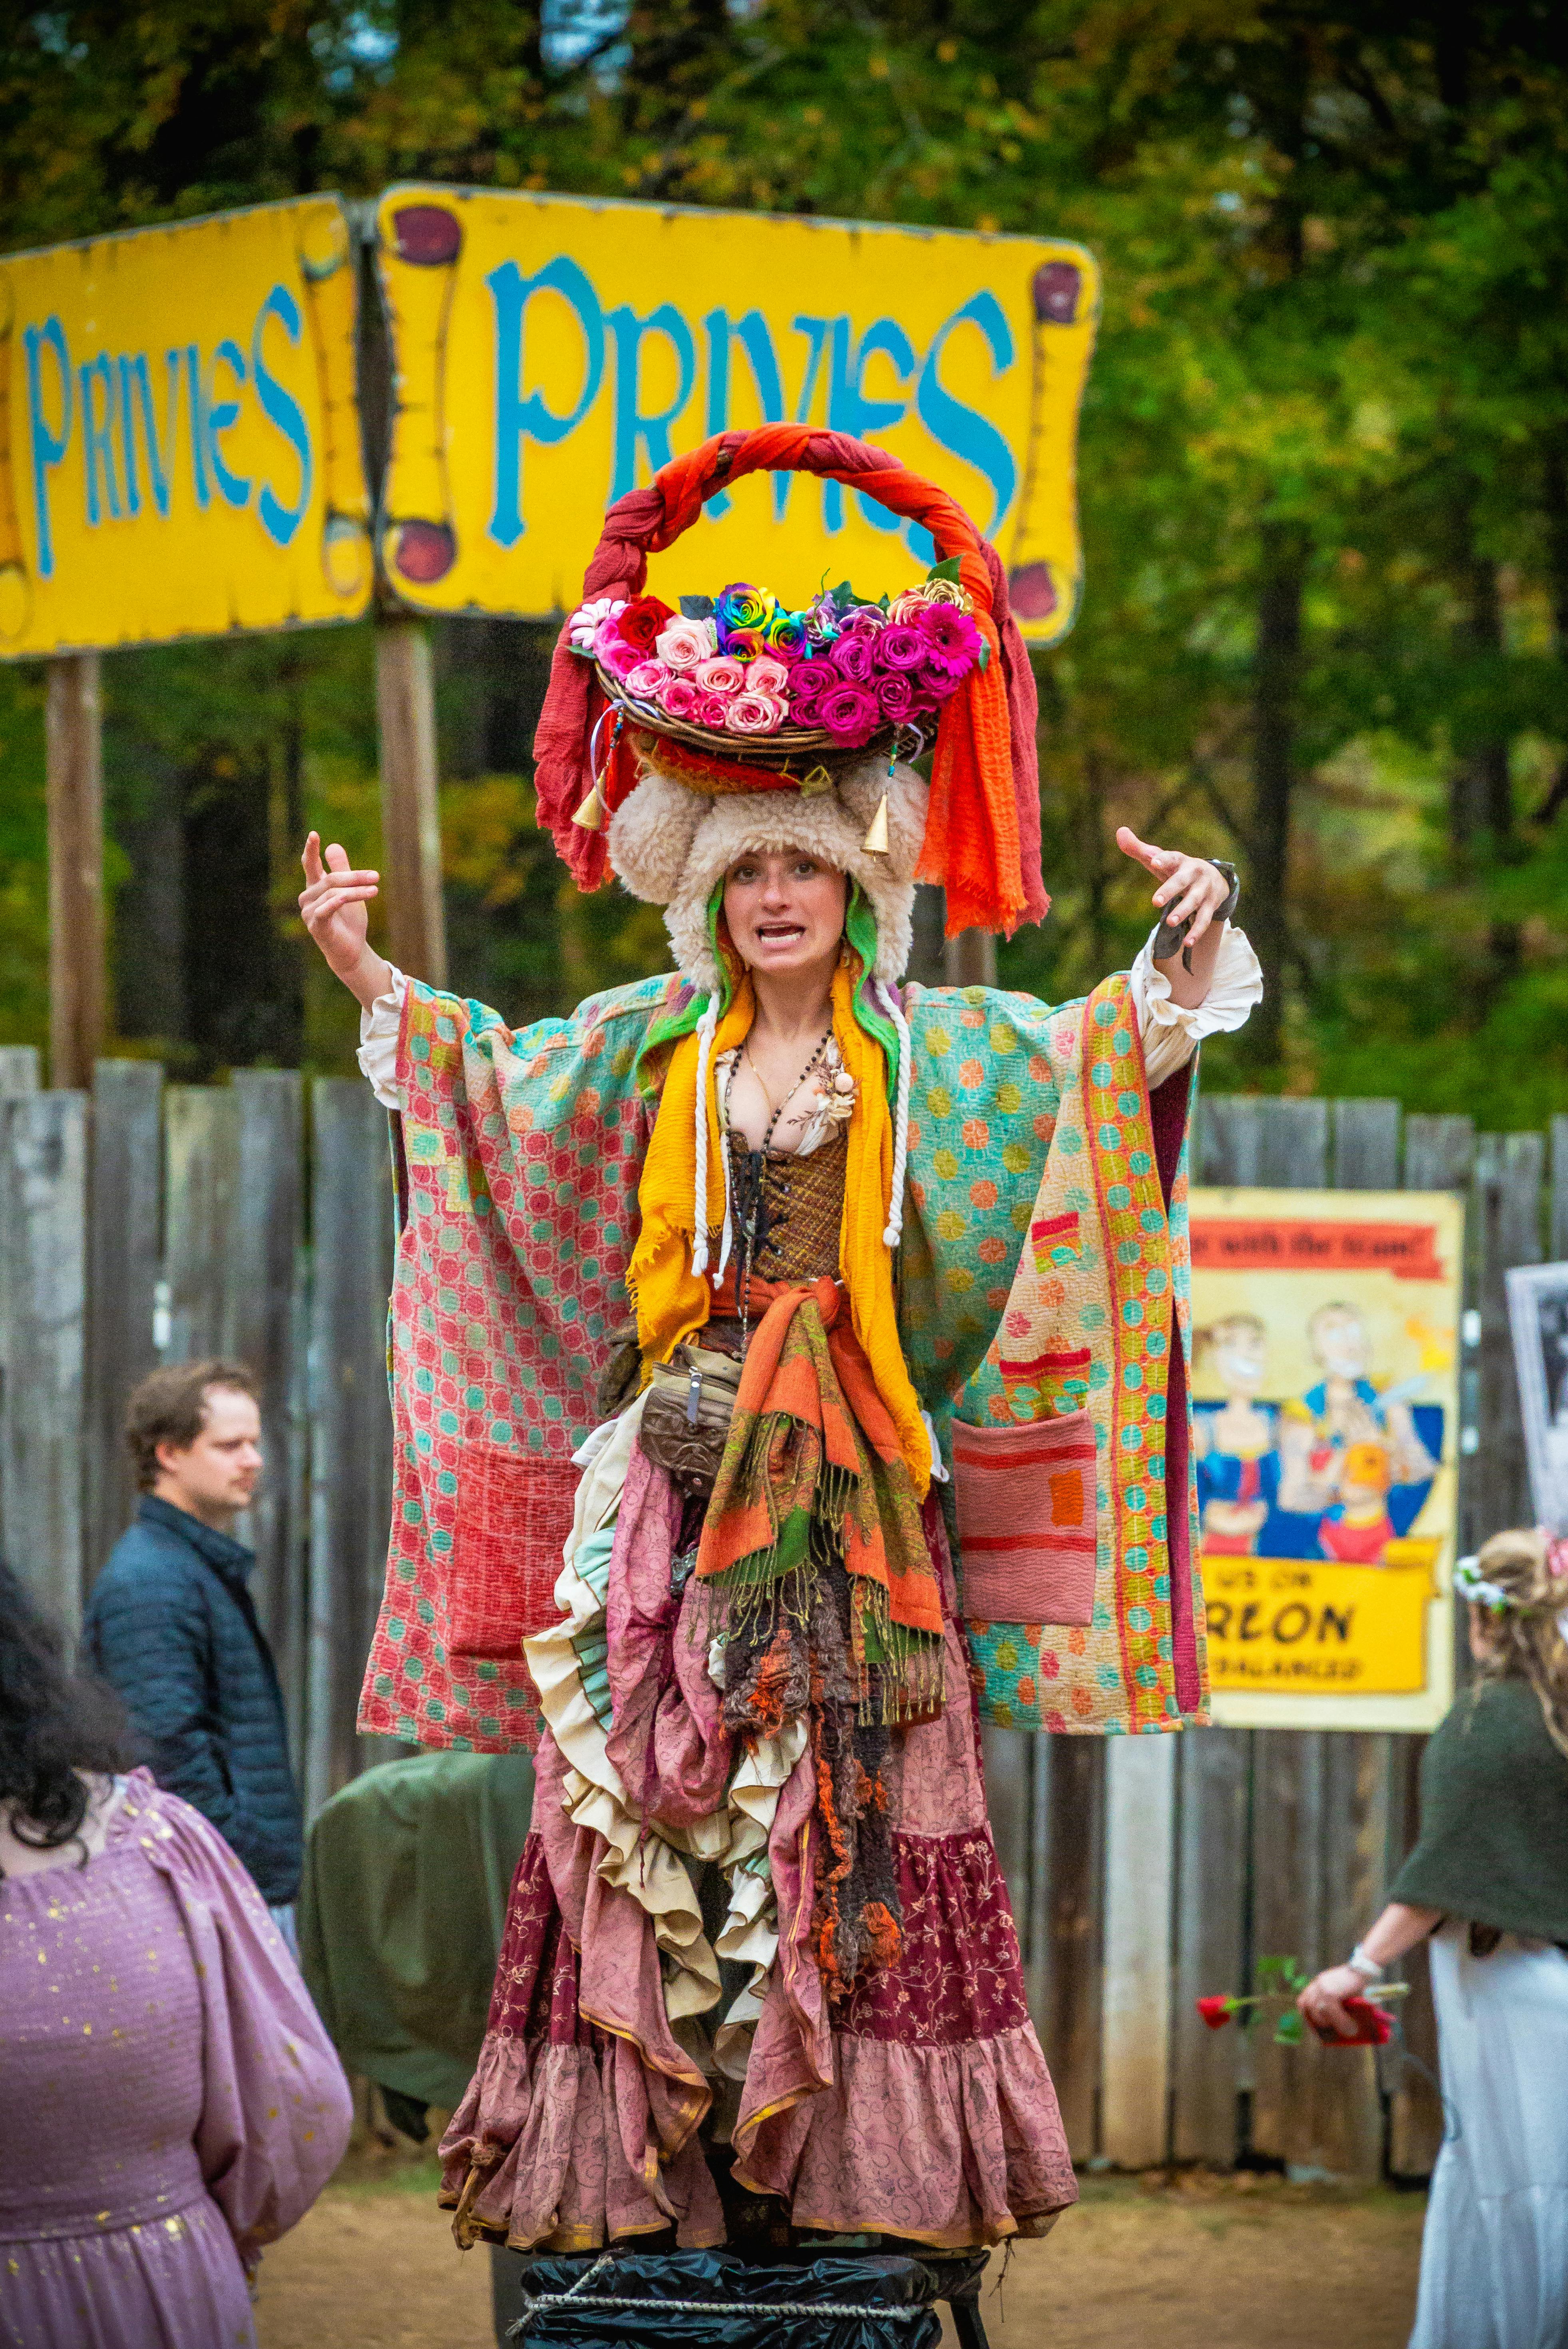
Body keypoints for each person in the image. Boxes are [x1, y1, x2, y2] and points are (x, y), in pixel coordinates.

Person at [300, 425, 1263, 2257]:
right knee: (646, 1812)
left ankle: (842, 2176)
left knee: (853, 1817)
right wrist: (368, 973)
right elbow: (492, 1087)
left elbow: (1098, 1053)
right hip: (668, 1489)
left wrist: (1184, 947)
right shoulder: (644, 1044)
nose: (773, 894)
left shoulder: (935, 1051)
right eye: (744, 867)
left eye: (803, 866)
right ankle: (657, 2168)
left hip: (854, 1500)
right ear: (706, 887)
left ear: (854, 884)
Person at [0, 1561, 351, 2349]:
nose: (256, 1486)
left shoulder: (205, 1571)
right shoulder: (149, 1585)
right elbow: (176, 1738)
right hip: (158, 2282)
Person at [1298, 1527, 1568, 2349]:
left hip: (1514, 2000)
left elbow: (1439, 1875)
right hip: (1548, 1987)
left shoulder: (1484, 1721)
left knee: (1517, 2184)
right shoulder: (1557, 1715)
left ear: (1484, 1618)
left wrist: (1356, 1967)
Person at [84, 1359, 304, 1943]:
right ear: (169, 1454)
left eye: (254, 1442)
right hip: (212, 1896)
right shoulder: (152, 1581)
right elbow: (165, 1753)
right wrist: (243, 1853)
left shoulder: (191, 1567)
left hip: (235, 1887)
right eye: (230, 1445)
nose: (253, 1460)